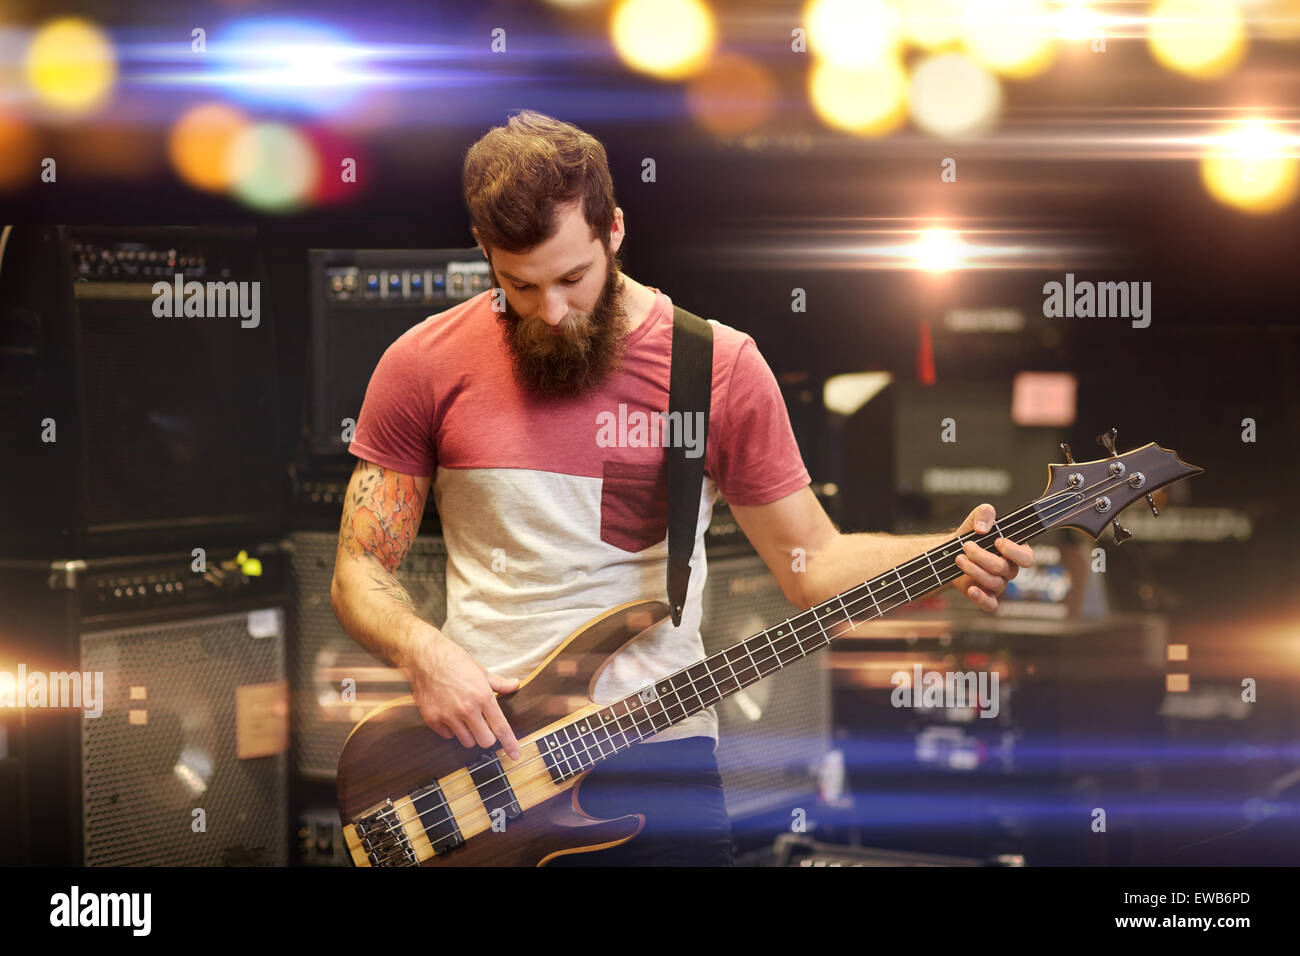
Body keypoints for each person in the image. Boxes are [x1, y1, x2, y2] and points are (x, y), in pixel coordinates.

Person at [329, 109, 1034, 866]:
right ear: (484, 252)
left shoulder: (716, 367)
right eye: (520, 286)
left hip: (657, 750)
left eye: (572, 277)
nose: (553, 311)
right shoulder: (422, 364)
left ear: (614, 231)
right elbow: (358, 568)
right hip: (477, 761)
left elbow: (813, 565)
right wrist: (421, 652)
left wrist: (947, 550)